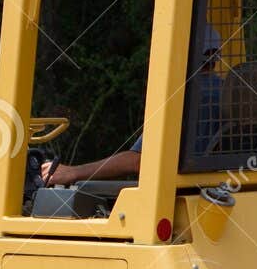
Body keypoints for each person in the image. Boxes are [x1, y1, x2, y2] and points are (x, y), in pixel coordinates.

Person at [41, 26, 224, 186]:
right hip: (216, 188)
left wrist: (73, 172)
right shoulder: (229, 93)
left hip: (177, 194)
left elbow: (138, 161)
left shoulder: (183, 98)